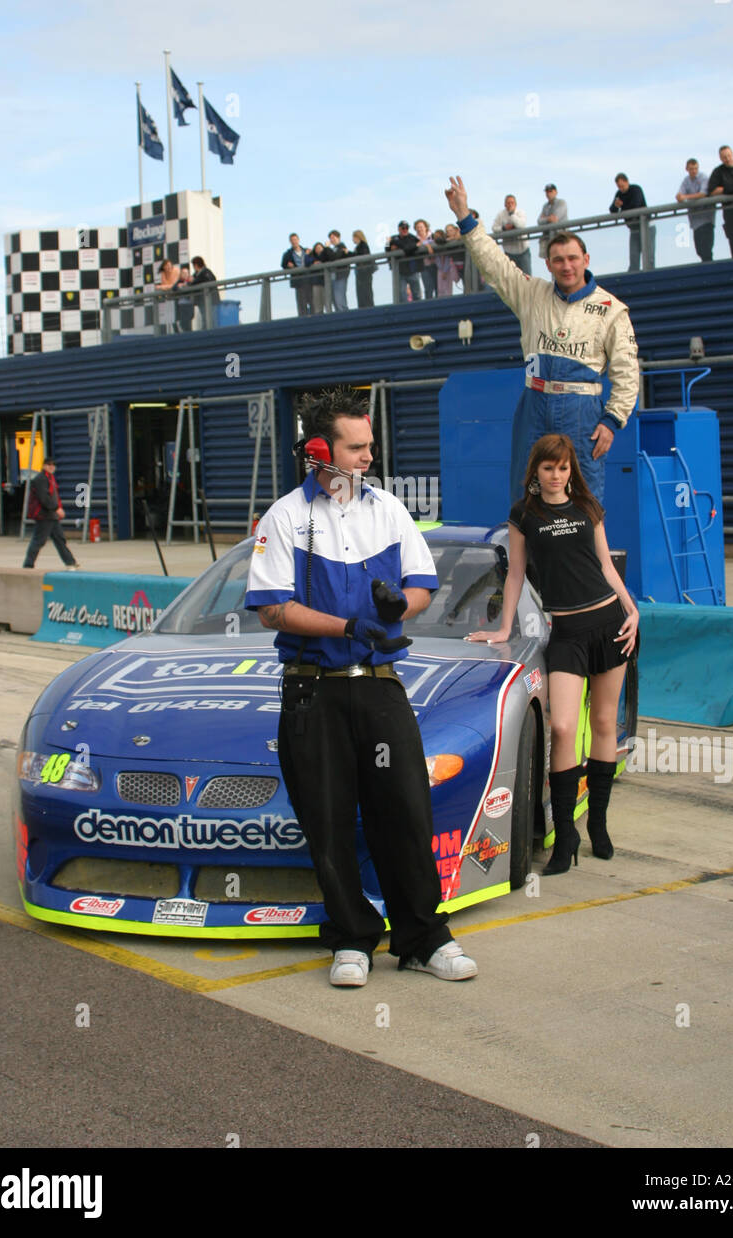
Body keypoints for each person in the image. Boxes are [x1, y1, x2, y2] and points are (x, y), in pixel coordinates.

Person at [244, 389, 477, 986]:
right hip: (311, 692)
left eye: (370, 445)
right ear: (321, 451)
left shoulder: (389, 511)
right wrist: (349, 625)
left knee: (403, 809)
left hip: (378, 688)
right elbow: (272, 609)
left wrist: (401, 605)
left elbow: (422, 585)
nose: (369, 456)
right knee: (326, 819)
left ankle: (425, 938)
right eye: (357, 447)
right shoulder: (284, 518)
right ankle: (351, 939)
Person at [468, 433, 638, 871]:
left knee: (602, 723)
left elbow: (605, 566)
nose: (556, 475)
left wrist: (633, 609)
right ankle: (565, 836)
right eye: (548, 468)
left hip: (609, 623)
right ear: (536, 471)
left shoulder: (587, 506)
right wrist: (503, 627)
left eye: (563, 468)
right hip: (565, 633)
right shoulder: (524, 514)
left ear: (570, 470)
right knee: (562, 728)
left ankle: (597, 824)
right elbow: (516, 574)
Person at [445, 174, 639, 504]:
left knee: (584, 496)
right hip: (534, 402)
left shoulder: (612, 309)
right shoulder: (531, 293)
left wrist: (611, 421)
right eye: (559, 260)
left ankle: (588, 557)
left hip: (583, 410)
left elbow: (627, 372)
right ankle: (526, 557)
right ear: (547, 264)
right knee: (526, 492)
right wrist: (465, 218)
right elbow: (495, 265)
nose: (567, 266)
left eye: (573, 258)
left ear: (586, 260)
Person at [23, 458, 79, 570]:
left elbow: (53, 496)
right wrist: (57, 509)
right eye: (49, 464)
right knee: (39, 541)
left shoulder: (50, 478)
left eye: (53, 465)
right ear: (44, 466)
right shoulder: (40, 479)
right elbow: (44, 498)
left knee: (60, 539)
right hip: (44, 515)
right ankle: (28, 565)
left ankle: (70, 562)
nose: (51, 467)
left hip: (51, 515)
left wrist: (57, 510)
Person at [610, 173, 655, 271]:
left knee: (648, 255)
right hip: (633, 229)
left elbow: (636, 205)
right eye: (619, 186)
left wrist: (623, 208)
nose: (621, 188)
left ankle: (650, 273)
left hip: (646, 226)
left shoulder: (636, 189)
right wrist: (616, 206)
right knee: (634, 256)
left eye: (622, 186)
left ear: (627, 182)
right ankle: (634, 274)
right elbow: (612, 210)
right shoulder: (619, 194)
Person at [708, 146, 733, 258]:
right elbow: (712, 191)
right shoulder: (718, 172)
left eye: (729, 155)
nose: (727, 159)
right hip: (731, 217)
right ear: (720, 158)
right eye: (724, 157)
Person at [675, 159, 715, 262]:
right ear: (687, 169)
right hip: (695, 221)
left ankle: (709, 270)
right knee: (699, 250)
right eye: (691, 169)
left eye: (696, 168)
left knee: (706, 250)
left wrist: (685, 197)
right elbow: (679, 195)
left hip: (706, 220)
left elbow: (703, 194)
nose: (694, 171)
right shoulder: (686, 180)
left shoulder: (703, 177)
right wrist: (680, 197)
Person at [492, 194, 531, 275]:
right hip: (509, 253)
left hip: (523, 252)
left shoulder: (521, 212)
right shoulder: (501, 214)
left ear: (515, 204)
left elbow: (521, 225)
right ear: (505, 204)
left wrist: (512, 214)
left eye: (512, 203)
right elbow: (494, 228)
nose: (510, 205)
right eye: (508, 203)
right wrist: (504, 228)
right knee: (512, 280)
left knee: (527, 278)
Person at [387, 221, 423, 302]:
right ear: (399, 229)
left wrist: (398, 245)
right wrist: (387, 242)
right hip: (399, 270)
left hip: (412, 270)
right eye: (403, 228)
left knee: (416, 294)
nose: (405, 230)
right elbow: (387, 249)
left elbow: (407, 248)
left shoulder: (412, 238)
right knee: (402, 294)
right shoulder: (394, 238)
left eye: (407, 228)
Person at [282, 233, 312, 316]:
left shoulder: (306, 251)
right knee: (301, 303)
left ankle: (314, 318)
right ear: (290, 242)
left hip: (309, 279)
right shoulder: (288, 254)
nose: (294, 242)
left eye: (295, 240)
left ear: (298, 240)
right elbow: (283, 265)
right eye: (292, 240)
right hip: (298, 281)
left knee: (312, 301)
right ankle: (303, 319)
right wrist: (289, 266)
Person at [537, 184, 567, 259]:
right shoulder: (545, 206)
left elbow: (555, 218)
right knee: (551, 260)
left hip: (560, 237)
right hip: (548, 239)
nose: (548, 193)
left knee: (561, 258)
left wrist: (545, 218)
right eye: (547, 192)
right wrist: (548, 219)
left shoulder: (561, 203)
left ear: (556, 192)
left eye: (550, 191)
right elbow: (539, 221)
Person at [324, 230, 350, 312]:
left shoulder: (341, 247)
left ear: (338, 237)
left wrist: (327, 248)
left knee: (339, 298)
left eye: (333, 237)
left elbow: (334, 257)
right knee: (335, 299)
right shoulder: (334, 249)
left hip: (340, 275)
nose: (332, 240)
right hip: (334, 276)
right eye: (330, 238)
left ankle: (344, 315)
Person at [414, 219, 438, 299]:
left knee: (438, 287)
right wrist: (427, 245)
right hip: (424, 266)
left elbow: (437, 243)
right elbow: (413, 248)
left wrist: (424, 244)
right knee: (428, 288)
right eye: (417, 227)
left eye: (421, 227)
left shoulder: (433, 235)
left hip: (436, 264)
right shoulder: (414, 239)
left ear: (426, 227)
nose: (419, 229)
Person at [352, 230, 375, 308]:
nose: (353, 239)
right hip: (362, 273)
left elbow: (362, 257)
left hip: (364, 273)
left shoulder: (363, 245)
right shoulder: (360, 246)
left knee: (365, 292)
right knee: (363, 292)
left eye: (354, 237)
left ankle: (367, 307)